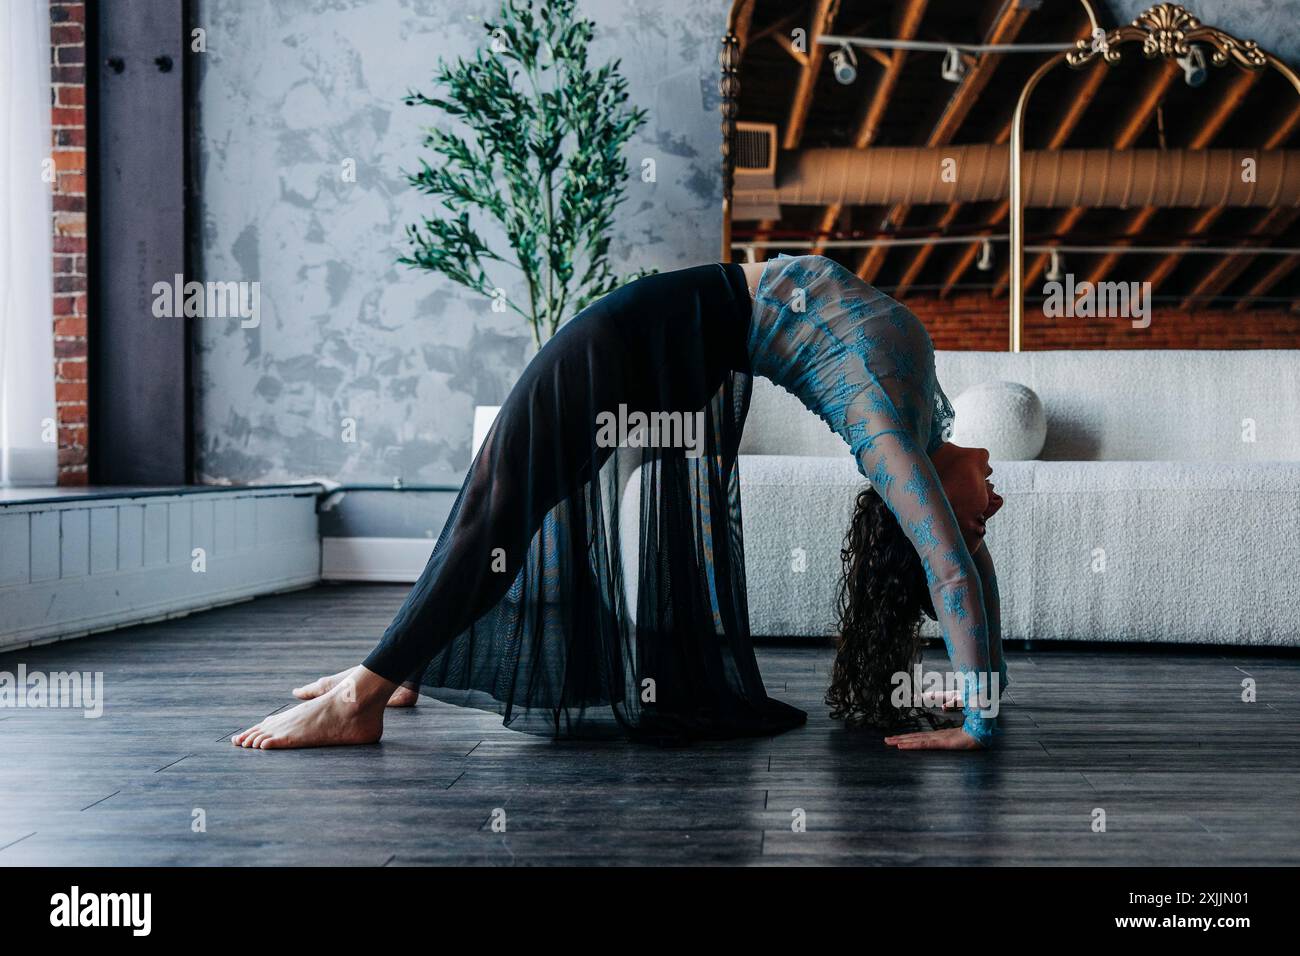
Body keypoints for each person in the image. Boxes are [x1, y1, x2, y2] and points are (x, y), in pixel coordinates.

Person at [232, 254, 1004, 751]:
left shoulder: (887, 440)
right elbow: (956, 565)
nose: (991, 510)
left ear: (920, 505)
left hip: (642, 341)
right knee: (502, 506)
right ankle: (401, 668)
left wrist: (978, 722)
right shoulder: (915, 417)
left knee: (496, 506)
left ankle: (362, 698)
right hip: (662, 346)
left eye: (976, 520)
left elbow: (953, 572)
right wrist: (985, 691)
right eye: (981, 519)